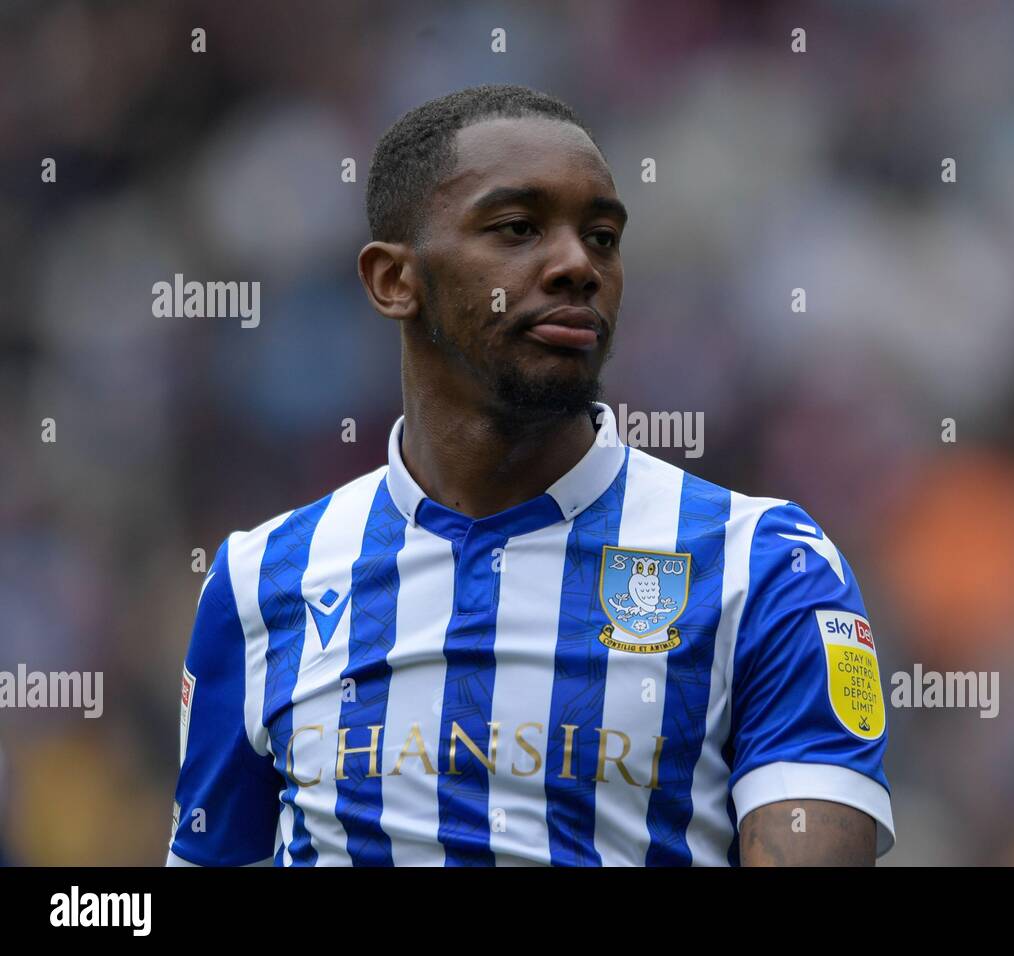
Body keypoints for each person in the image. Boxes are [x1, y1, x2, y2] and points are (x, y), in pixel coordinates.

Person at [166, 84, 894, 867]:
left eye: (604, 237)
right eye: (518, 228)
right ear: (393, 281)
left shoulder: (766, 566)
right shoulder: (260, 583)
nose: (577, 264)